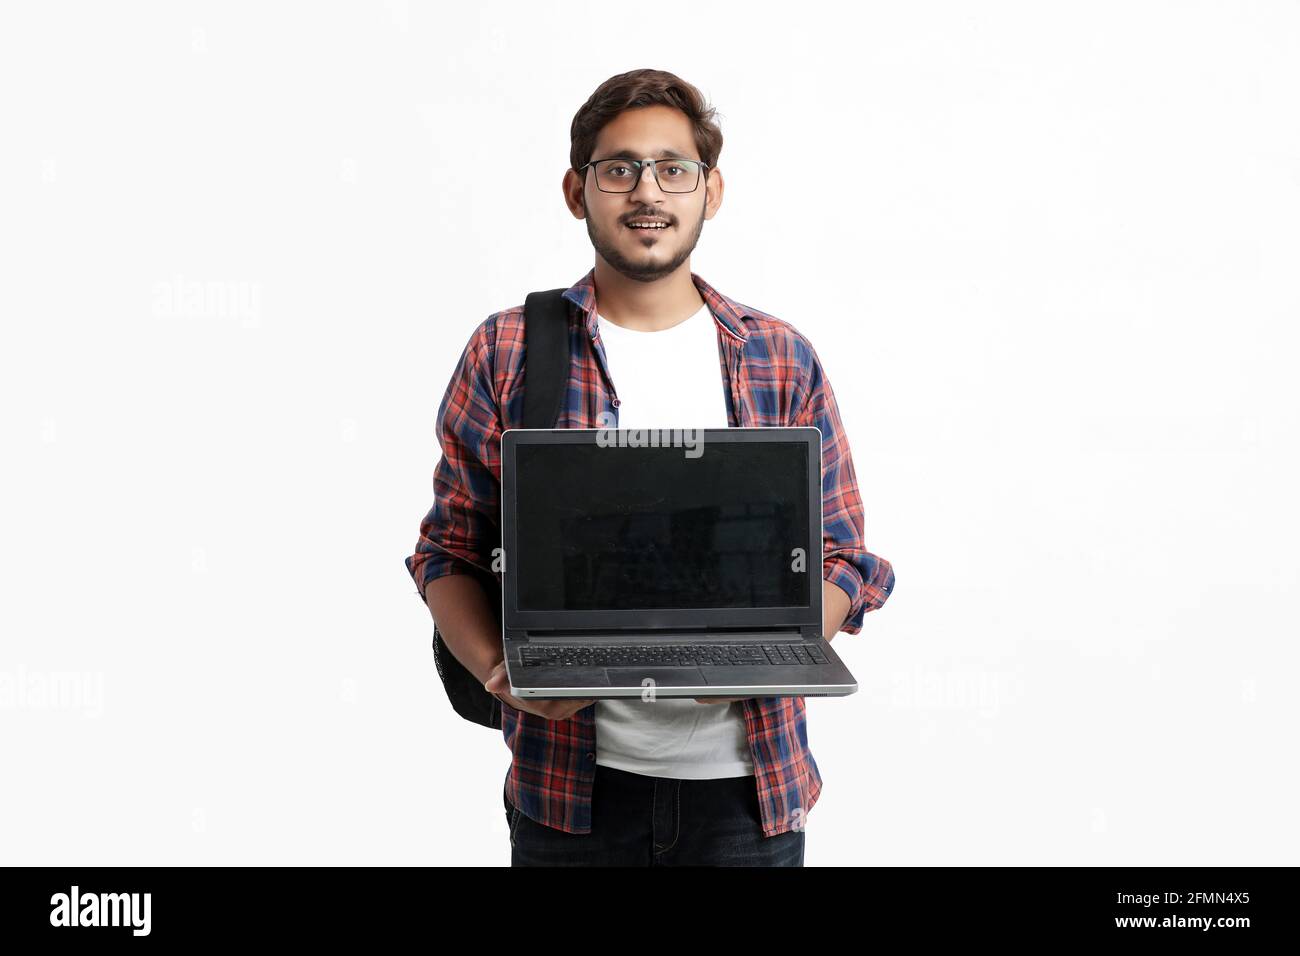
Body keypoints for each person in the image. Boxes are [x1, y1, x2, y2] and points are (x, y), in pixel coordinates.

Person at [405, 68, 895, 866]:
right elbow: (448, 551)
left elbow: (845, 557)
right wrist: (502, 668)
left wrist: (774, 655)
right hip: (570, 797)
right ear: (577, 190)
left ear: (712, 190)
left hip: (750, 792)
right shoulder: (508, 350)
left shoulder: (778, 355)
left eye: (675, 169)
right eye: (619, 168)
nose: (648, 192)